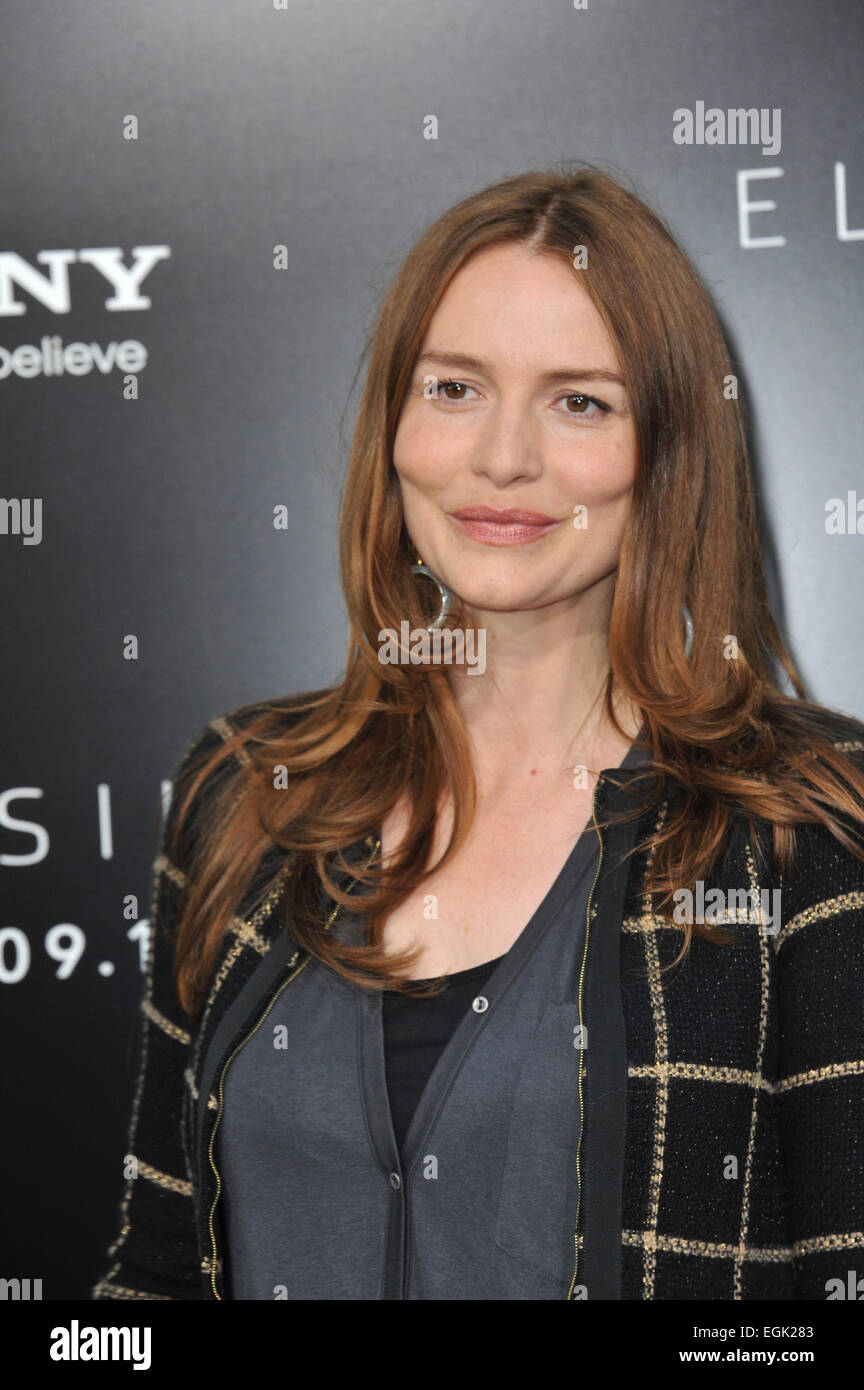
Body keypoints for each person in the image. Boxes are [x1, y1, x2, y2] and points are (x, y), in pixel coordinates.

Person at [92, 164, 864, 1301]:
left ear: (670, 450)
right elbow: (151, 1278)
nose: (502, 458)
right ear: (394, 426)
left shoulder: (803, 824)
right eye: (454, 388)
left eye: (580, 401)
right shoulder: (248, 791)